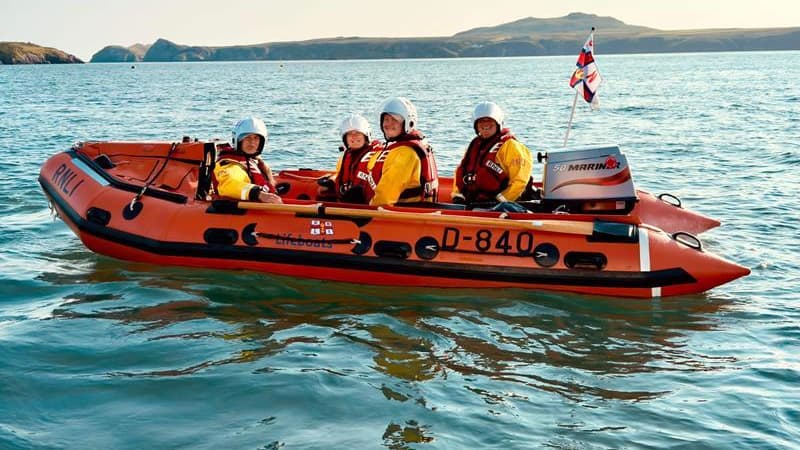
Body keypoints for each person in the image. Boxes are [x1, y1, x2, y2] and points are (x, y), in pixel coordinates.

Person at [355, 97, 438, 206]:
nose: (388, 124)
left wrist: (361, 211)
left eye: (395, 120)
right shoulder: (415, 146)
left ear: (408, 123)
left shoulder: (404, 153)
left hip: (401, 215)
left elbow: (384, 198)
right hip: (419, 211)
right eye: (386, 119)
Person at [452, 102, 533, 205]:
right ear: (476, 127)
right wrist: (457, 196)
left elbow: (520, 181)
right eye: (481, 124)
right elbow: (461, 172)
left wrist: (499, 203)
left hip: (501, 204)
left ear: (498, 124)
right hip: (474, 201)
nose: (485, 128)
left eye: (490, 124)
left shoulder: (511, 146)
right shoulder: (474, 145)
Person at [213, 117, 282, 204]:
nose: (252, 143)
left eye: (256, 138)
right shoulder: (230, 165)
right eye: (247, 138)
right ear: (238, 140)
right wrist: (259, 194)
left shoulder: (253, 161)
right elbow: (229, 185)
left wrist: (267, 172)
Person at [319, 113, 379, 204]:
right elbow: (341, 176)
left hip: (366, 206)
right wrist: (332, 180)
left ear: (366, 136)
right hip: (346, 201)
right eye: (350, 134)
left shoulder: (377, 155)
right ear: (345, 139)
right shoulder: (345, 157)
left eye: (358, 133)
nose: (354, 136)